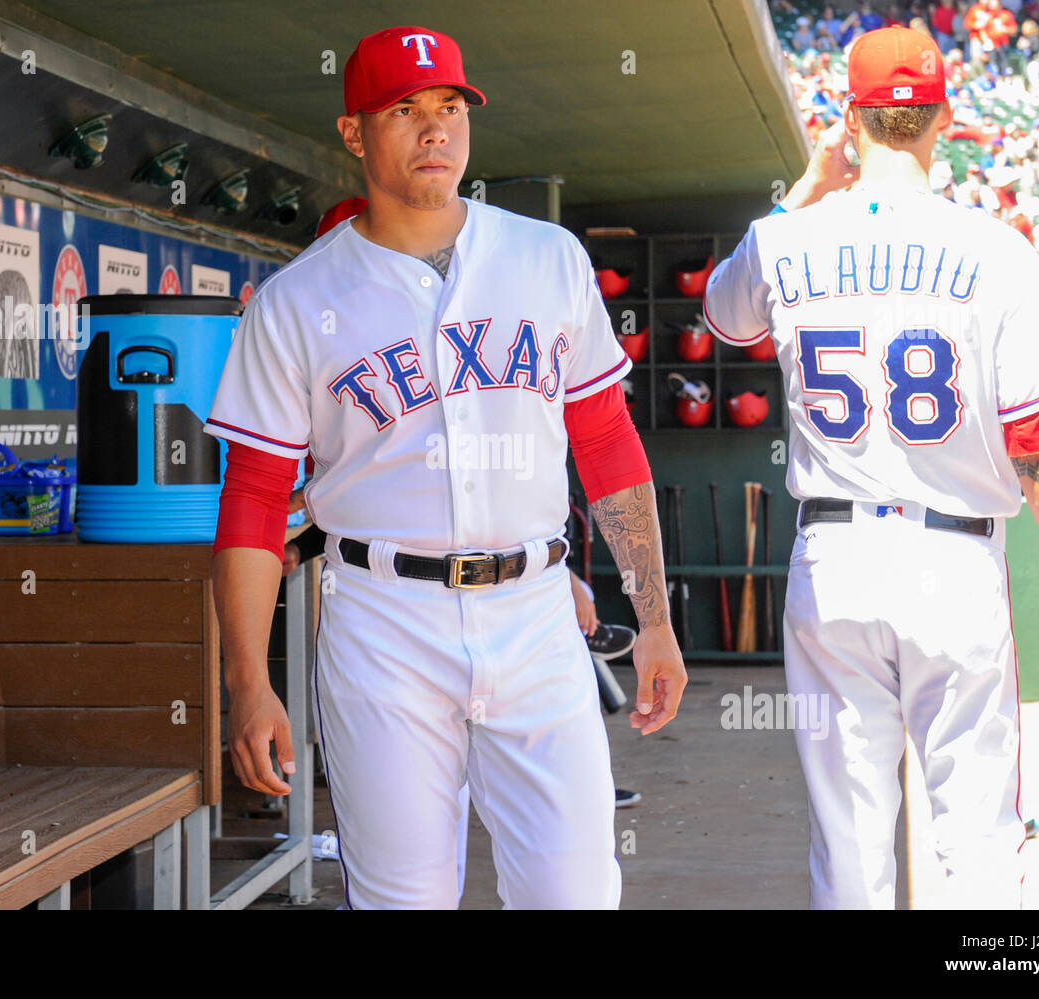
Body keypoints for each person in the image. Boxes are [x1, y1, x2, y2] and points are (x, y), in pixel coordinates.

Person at [206, 25, 686, 910]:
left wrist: (653, 616)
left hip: (538, 613)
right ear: (355, 133)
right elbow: (254, 496)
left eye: (450, 106)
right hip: (383, 618)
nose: (436, 129)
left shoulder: (548, 257)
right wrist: (247, 681)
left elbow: (608, 441)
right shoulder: (296, 300)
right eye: (406, 109)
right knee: (402, 899)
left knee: (576, 891)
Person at [704, 27, 1039, 909]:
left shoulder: (788, 241)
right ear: (944, 120)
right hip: (953, 559)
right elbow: (1038, 442)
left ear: (850, 119)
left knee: (850, 845)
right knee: (974, 837)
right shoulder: (997, 247)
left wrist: (810, 186)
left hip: (834, 561)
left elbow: (724, 316)